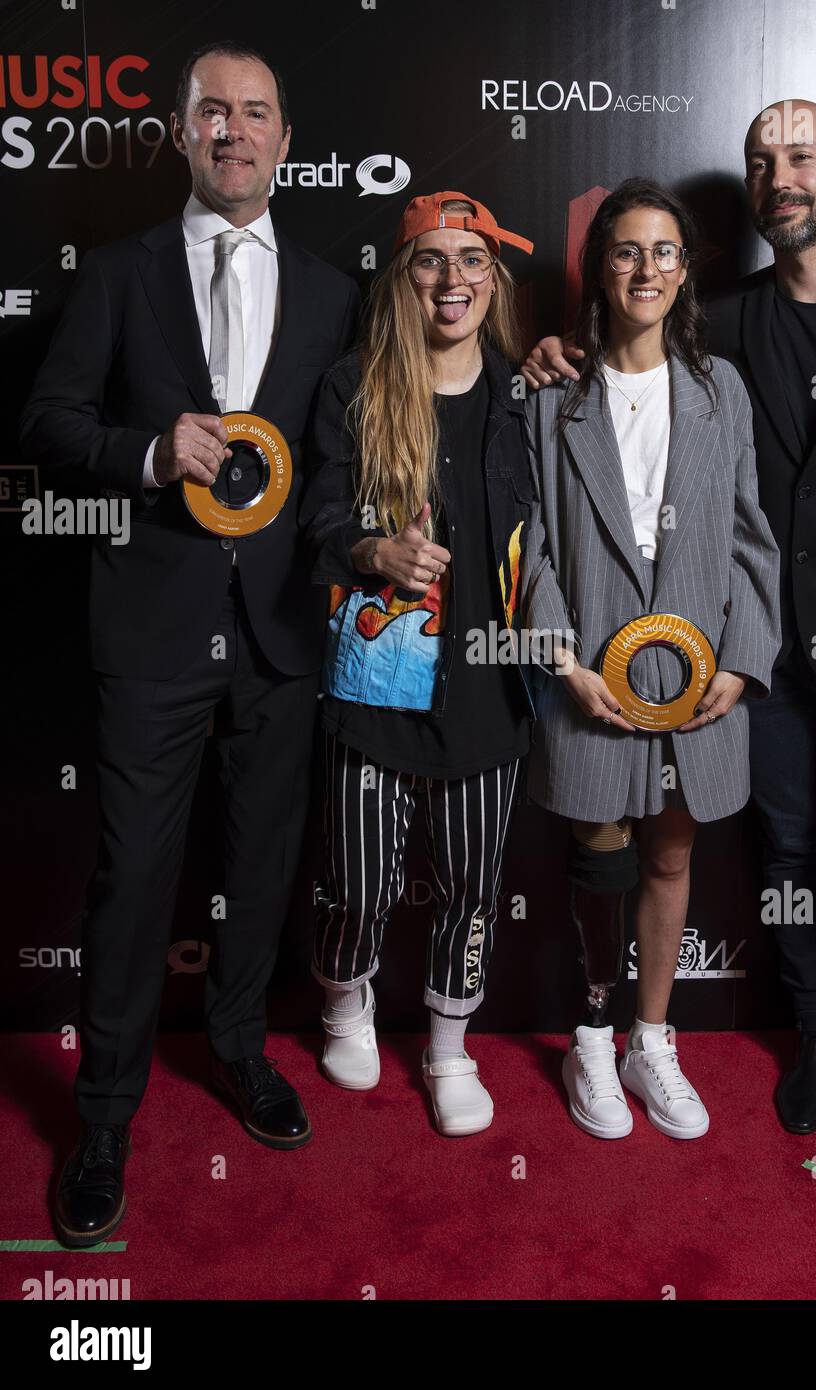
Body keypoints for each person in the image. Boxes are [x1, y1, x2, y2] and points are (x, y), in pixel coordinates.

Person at [521, 102, 816, 1139]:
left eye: (798, 155)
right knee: (787, 858)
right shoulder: (726, 323)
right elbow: (628, 343)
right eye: (760, 161)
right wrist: (550, 356)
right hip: (759, 663)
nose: (778, 174)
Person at [19, 40, 360, 1247]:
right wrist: (151, 452)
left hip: (279, 632)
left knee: (263, 864)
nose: (234, 131)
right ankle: (103, 1116)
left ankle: (238, 1051)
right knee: (131, 880)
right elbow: (50, 423)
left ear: (283, 139)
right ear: (179, 134)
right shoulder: (116, 277)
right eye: (212, 113)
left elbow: (358, 448)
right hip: (151, 624)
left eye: (255, 113)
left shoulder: (330, 292)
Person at [523, 178, 780, 1140]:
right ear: (600, 266)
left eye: (664, 251)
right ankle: (592, 1039)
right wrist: (564, 660)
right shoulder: (552, 396)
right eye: (626, 250)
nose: (646, 269)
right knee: (598, 851)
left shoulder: (722, 391)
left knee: (672, 848)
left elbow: (754, 538)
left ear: (686, 269)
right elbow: (534, 546)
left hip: (695, 674)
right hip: (587, 670)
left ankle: (650, 1038)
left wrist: (742, 661)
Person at [299, 191, 536, 1137]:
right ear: (404, 279)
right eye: (432, 261)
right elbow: (312, 516)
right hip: (379, 684)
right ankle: (344, 1000)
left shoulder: (527, 391)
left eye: (472, 260)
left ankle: (447, 1044)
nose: (453, 279)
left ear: (494, 279)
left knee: (473, 888)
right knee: (358, 885)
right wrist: (373, 551)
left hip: (490, 687)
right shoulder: (354, 385)